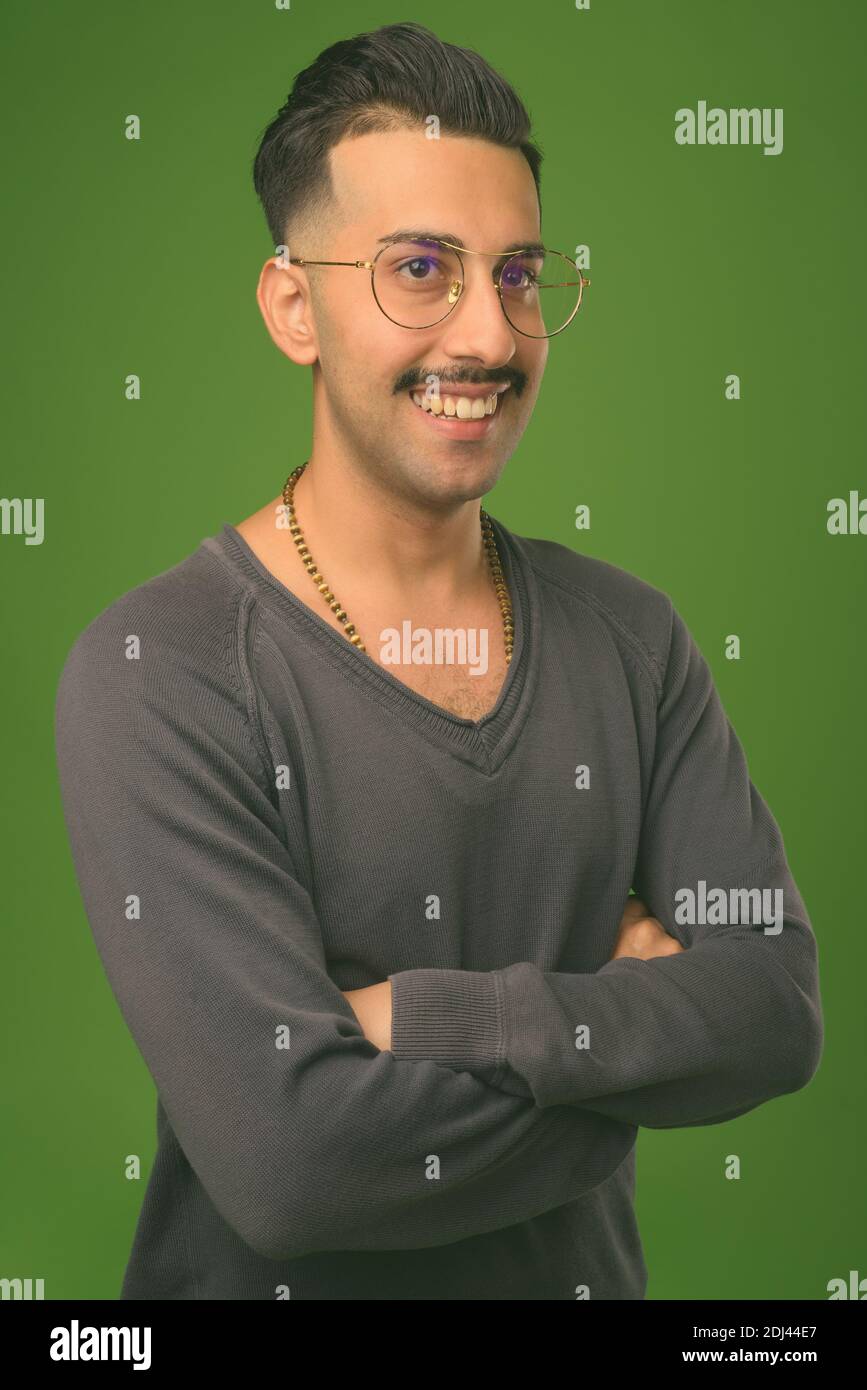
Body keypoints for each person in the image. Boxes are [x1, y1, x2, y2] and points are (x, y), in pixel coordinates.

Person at [54, 22, 823, 1300]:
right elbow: (292, 1169)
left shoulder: (634, 640)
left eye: (520, 275)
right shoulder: (159, 669)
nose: (489, 336)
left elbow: (774, 1012)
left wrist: (440, 1018)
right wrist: (630, 1049)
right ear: (294, 306)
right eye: (422, 268)